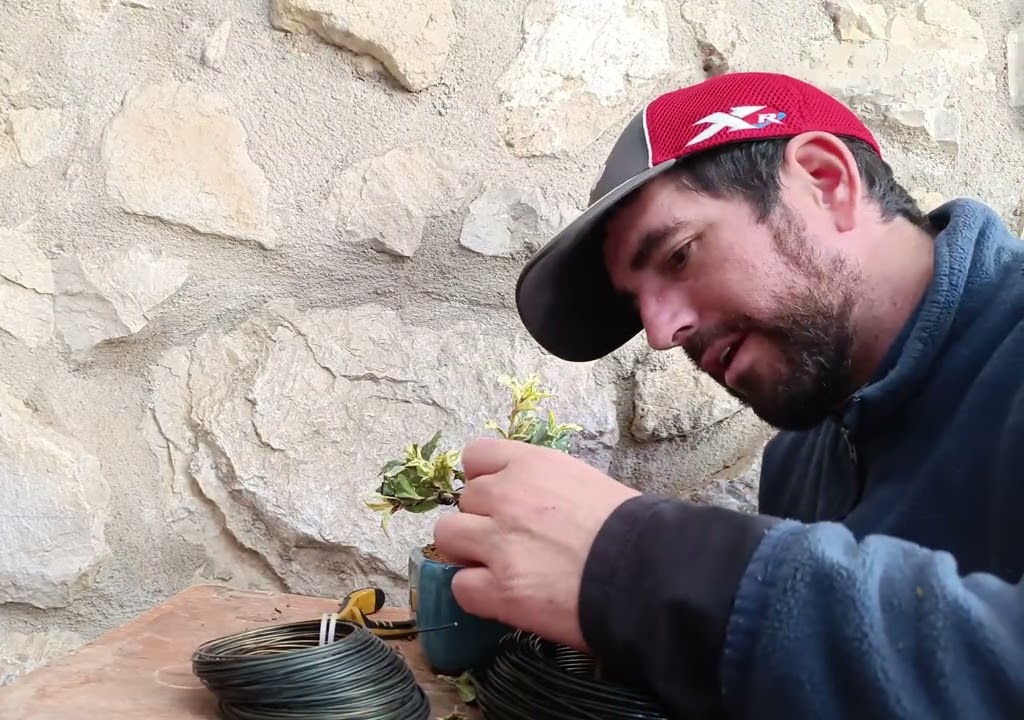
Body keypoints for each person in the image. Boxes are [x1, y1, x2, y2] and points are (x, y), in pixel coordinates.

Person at [432, 71, 1024, 720]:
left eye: (680, 255)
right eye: (638, 305)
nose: (659, 332)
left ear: (826, 182)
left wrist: (643, 566)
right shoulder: (799, 456)